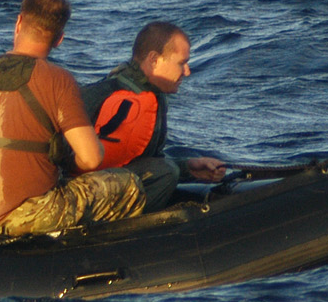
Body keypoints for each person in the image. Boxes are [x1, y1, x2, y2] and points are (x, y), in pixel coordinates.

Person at [0, 0, 144, 235]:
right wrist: (62, 159)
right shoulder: (59, 80)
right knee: (128, 184)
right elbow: (91, 158)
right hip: (28, 217)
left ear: (18, 23)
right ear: (60, 38)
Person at [81, 21, 226, 211]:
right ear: (154, 60)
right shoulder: (99, 95)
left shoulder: (153, 97)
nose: (187, 72)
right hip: (76, 196)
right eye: (181, 63)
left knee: (167, 171)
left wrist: (188, 167)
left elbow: (140, 162)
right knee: (165, 172)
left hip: (109, 187)